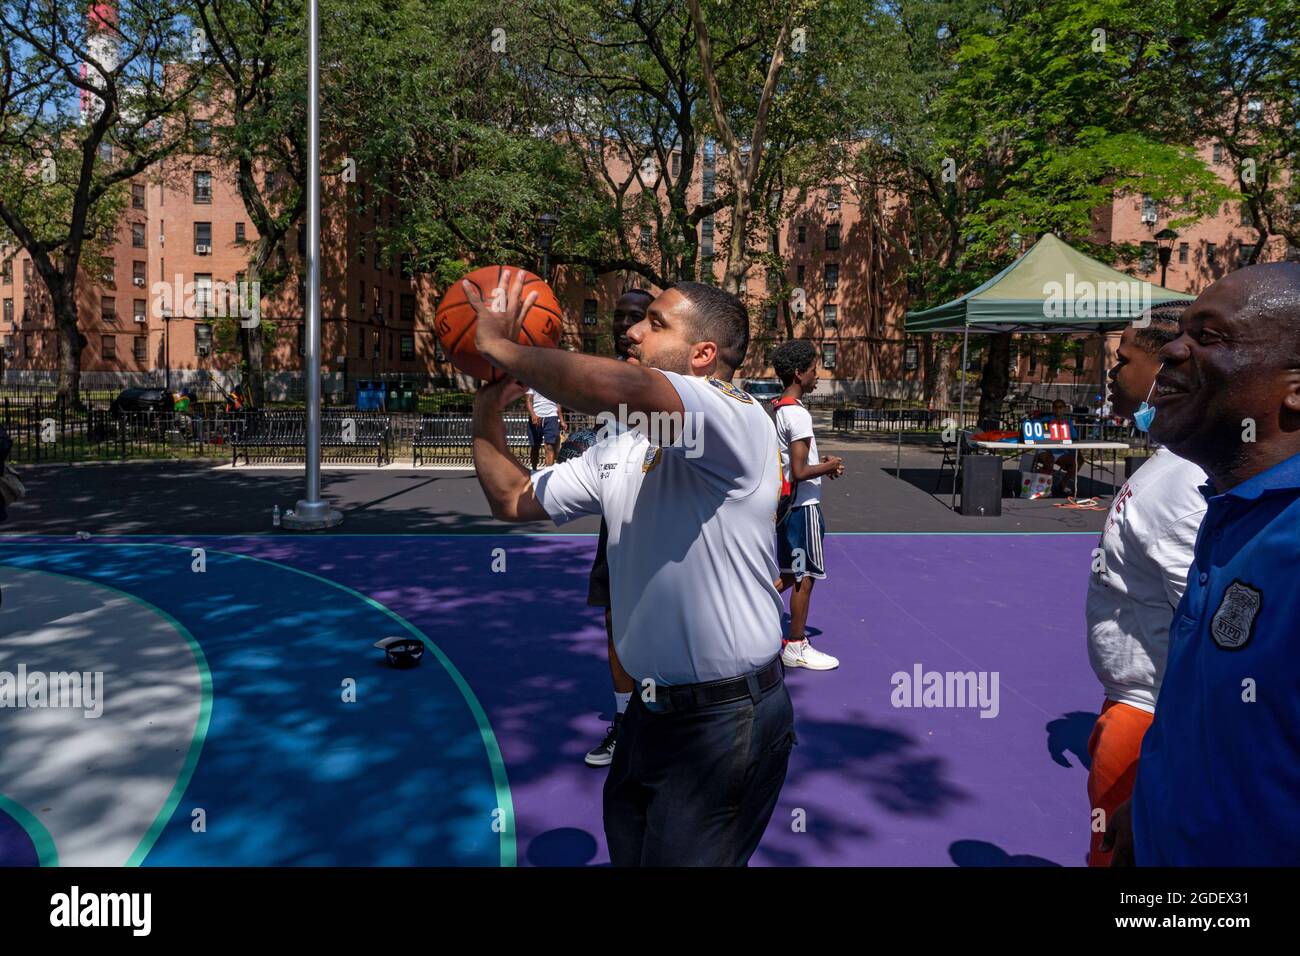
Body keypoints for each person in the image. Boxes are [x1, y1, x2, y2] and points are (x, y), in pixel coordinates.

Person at [467, 269, 793, 866]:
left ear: (702, 354)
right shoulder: (625, 445)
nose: (634, 331)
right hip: (649, 714)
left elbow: (623, 387)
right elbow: (512, 499)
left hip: (726, 724)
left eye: (656, 322)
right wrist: (487, 410)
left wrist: (501, 345)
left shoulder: (734, 417)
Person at [1102, 262, 1300, 866]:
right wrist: (1152, 802)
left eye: (1210, 337)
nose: (1175, 351)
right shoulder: (1229, 508)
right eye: (1181, 331)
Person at [1084, 302, 1207, 867]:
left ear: (1164, 368)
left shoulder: (1184, 484)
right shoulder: (1170, 462)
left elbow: (1203, 638)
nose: (1112, 372)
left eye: (1122, 360)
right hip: (1131, 709)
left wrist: (1165, 762)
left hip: (1152, 718)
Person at [585, 288, 653, 768]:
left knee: (666, 624)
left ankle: (668, 726)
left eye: (637, 317)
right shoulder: (604, 382)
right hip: (616, 528)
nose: (624, 326)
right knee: (615, 624)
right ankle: (626, 723)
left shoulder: (670, 381)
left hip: (666, 525)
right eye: (618, 316)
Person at [769, 339, 845, 670]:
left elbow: (792, 464)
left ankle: (745, 609)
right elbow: (799, 470)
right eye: (814, 369)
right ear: (800, 374)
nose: (818, 374)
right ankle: (796, 646)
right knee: (803, 576)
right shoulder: (797, 414)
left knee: (789, 573)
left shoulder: (777, 408)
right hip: (803, 510)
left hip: (788, 509)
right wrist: (830, 465)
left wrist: (821, 462)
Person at [1031, 399, 1079, 493]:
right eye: (1055, 407)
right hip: (1045, 450)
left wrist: (1074, 452)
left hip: (1061, 452)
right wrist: (1034, 417)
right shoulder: (1046, 420)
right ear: (1053, 409)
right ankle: (1044, 488)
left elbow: (1074, 438)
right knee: (1049, 459)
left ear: (1064, 409)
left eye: (1060, 407)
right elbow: (1035, 427)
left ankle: (1063, 484)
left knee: (1078, 461)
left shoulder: (1068, 422)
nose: (1058, 410)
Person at [525, 386, 565, 470]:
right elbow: (529, 399)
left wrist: (561, 420)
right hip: (536, 416)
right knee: (535, 447)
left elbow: (558, 403)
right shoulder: (531, 382)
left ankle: (547, 472)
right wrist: (533, 415)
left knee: (549, 447)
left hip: (551, 417)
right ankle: (534, 469)